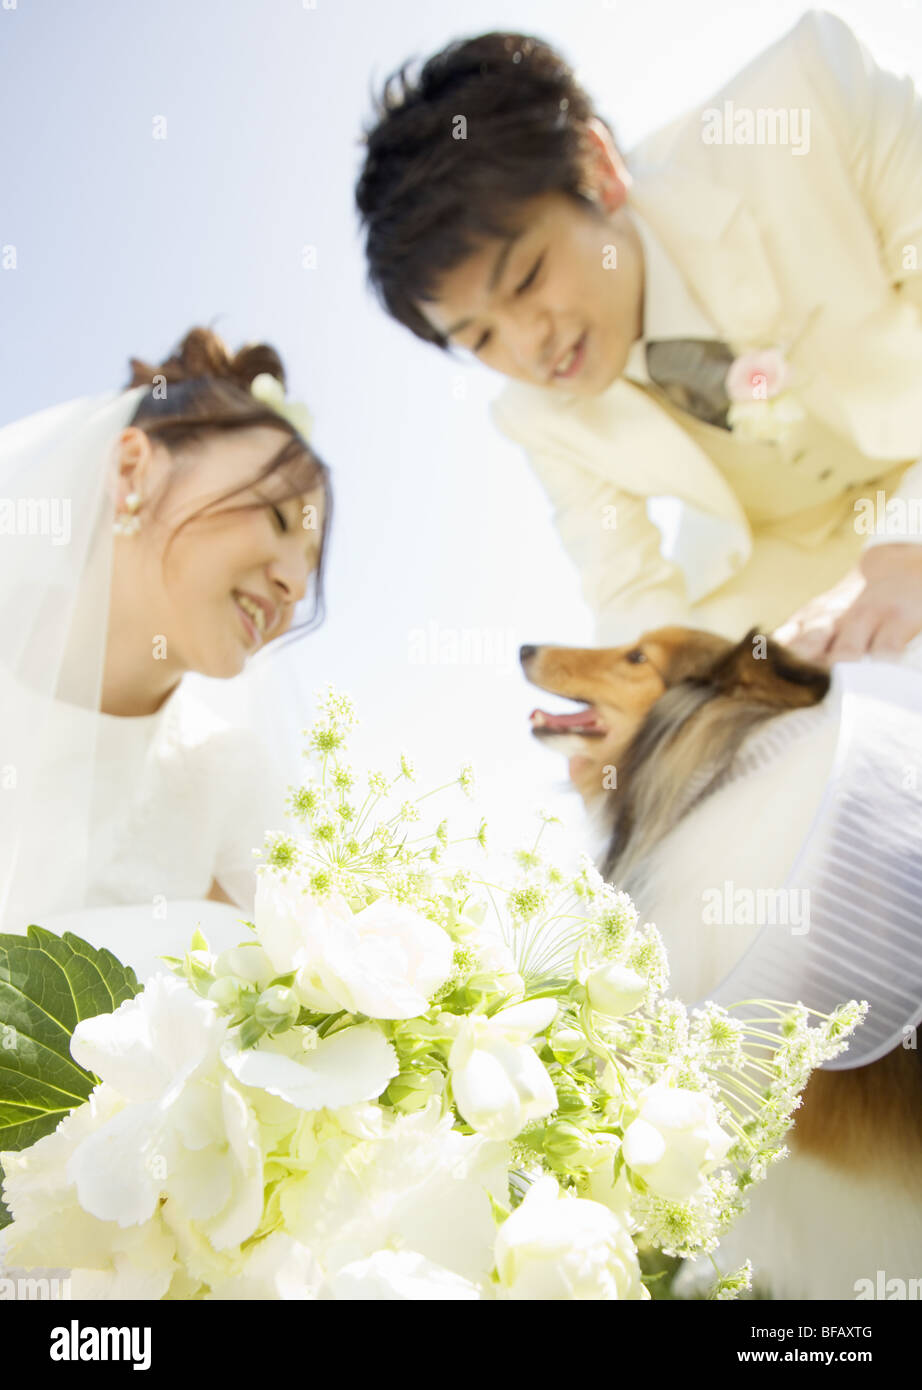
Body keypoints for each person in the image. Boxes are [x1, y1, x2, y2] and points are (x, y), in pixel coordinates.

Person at [355, 9, 922, 661]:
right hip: (787, 584)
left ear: (598, 169)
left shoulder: (811, 103)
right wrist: (626, 715)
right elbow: (626, 589)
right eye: (479, 338)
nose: (527, 350)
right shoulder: (535, 418)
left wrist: (908, 549)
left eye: (526, 278)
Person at [0, 327, 331, 946]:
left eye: (310, 564)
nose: (294, 586)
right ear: (133, 471)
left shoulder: (227, 781)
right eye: (279, 516)